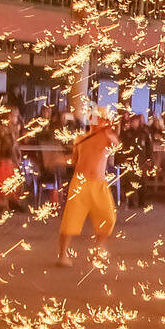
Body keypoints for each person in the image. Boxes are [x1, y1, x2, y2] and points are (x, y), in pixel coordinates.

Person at [56, 108, 120, 266]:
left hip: (99, 185)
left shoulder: (107, 137)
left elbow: (116, 144)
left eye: (100, 119)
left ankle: (99, 249)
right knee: (70, 221)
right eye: (94, 118)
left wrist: (108, 130)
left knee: (108, 218)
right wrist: (62, 160)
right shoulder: (80, 138)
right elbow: (75, 160)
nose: (97, 121)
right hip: (80, 184)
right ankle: (63, 255)